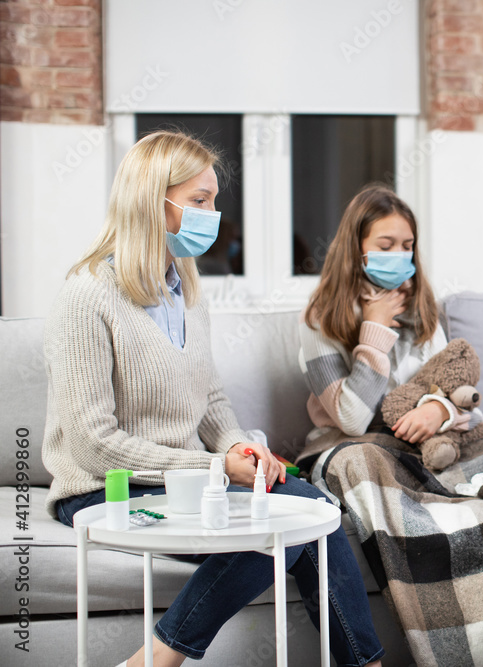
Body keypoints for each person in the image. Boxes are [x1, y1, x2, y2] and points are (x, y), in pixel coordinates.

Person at [43, 130, 384, 667]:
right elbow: (93, 446)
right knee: (290, 523)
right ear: (154, 202)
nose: (213, 214)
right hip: (103, 489)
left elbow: (212, 400)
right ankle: (158, 658)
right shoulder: (87, 295)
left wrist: (242, 448)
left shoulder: (186, 287)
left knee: (311, 510)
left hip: (188, 479)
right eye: (199, 201)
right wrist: (214, 467)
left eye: (214, 201)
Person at [295, 183, 483, 468]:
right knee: (361, 464)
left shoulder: (421, 308)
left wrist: (440, 411)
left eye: (407, 246)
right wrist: (375, 332)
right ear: (355, 248)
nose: (398, 254)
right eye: (385, 246)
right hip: (351, 449)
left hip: (424, 448)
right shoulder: (320, 318)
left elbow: (470, 407)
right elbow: (353, 420)